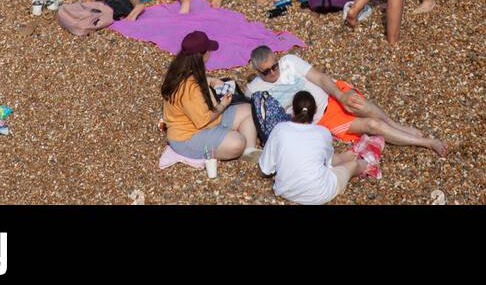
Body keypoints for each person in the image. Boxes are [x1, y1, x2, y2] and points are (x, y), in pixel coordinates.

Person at [248, 43, 446, 151]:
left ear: (276, 58)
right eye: (267, 71)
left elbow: (320, 78)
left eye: (275, 66)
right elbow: (253, 114)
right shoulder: (256, 90)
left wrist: (340, 96)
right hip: (322, 118)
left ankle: (399, 127)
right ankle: (427, 143)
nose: (274, 72)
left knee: (361, 105)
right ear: (257, 71)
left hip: (331, 95)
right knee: (373, 126)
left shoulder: (289, 61)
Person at [161, 30, 259, 162]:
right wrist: (223, 104)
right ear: (202, 55)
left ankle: (249, 151)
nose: (210, 53)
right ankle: (239, 146)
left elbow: (197, 81)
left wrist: (210, 80)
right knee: (237, 143)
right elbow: (203, 120)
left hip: (205, 119)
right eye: (208, 50)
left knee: (249, 109)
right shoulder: (189, 89)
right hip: (188, 136)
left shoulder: (181, 69)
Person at [259, 92, 368, 203]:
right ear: (315, 110)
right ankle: (368, 162)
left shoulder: (280, 129)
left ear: (293, 110)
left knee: (335, 159)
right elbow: (327, 163)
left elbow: (265, 170)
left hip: (285, 191)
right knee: (354, 165)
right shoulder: (323, 131)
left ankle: (351, 154)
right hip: (319, 194)